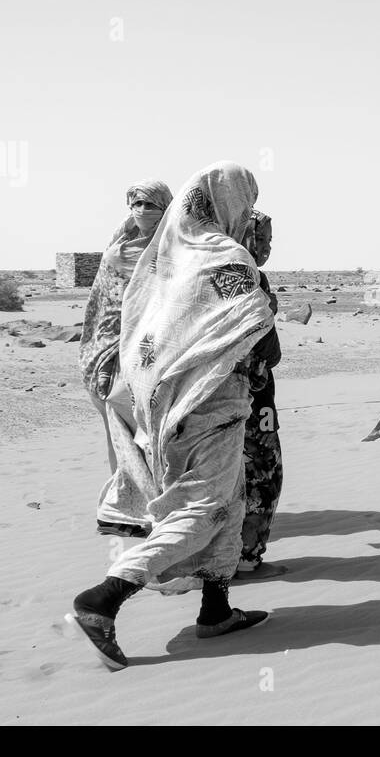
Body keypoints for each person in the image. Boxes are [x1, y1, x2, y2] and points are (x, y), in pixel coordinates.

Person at [67, 161, 275, 671]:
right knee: (203, 508)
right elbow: (259, 337)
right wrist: (264, 313)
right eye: (245, 205)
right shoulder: (223, 256)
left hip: (163, 405)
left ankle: (216, 609)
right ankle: (105, 597)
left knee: (232, 497)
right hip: (212, 401)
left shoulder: (165, 257)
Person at [79, 181, 173, 539]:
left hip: (148, 355)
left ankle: (128, 510)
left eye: (151, 203)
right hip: (111, 354)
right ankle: (132, 511)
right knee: (129, 435)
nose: (142, 209)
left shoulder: (171, 248)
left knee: (142, 436)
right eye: (137, 203)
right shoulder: (121, 249)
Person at [233, 210, 287, 580]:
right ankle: (246, 558)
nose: (266, 248)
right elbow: (268, 350)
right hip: (249, 396)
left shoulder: (217, 273)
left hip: (242, 395)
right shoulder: (242, 278)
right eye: (260, 239)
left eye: (270, 241)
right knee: (264, 475)